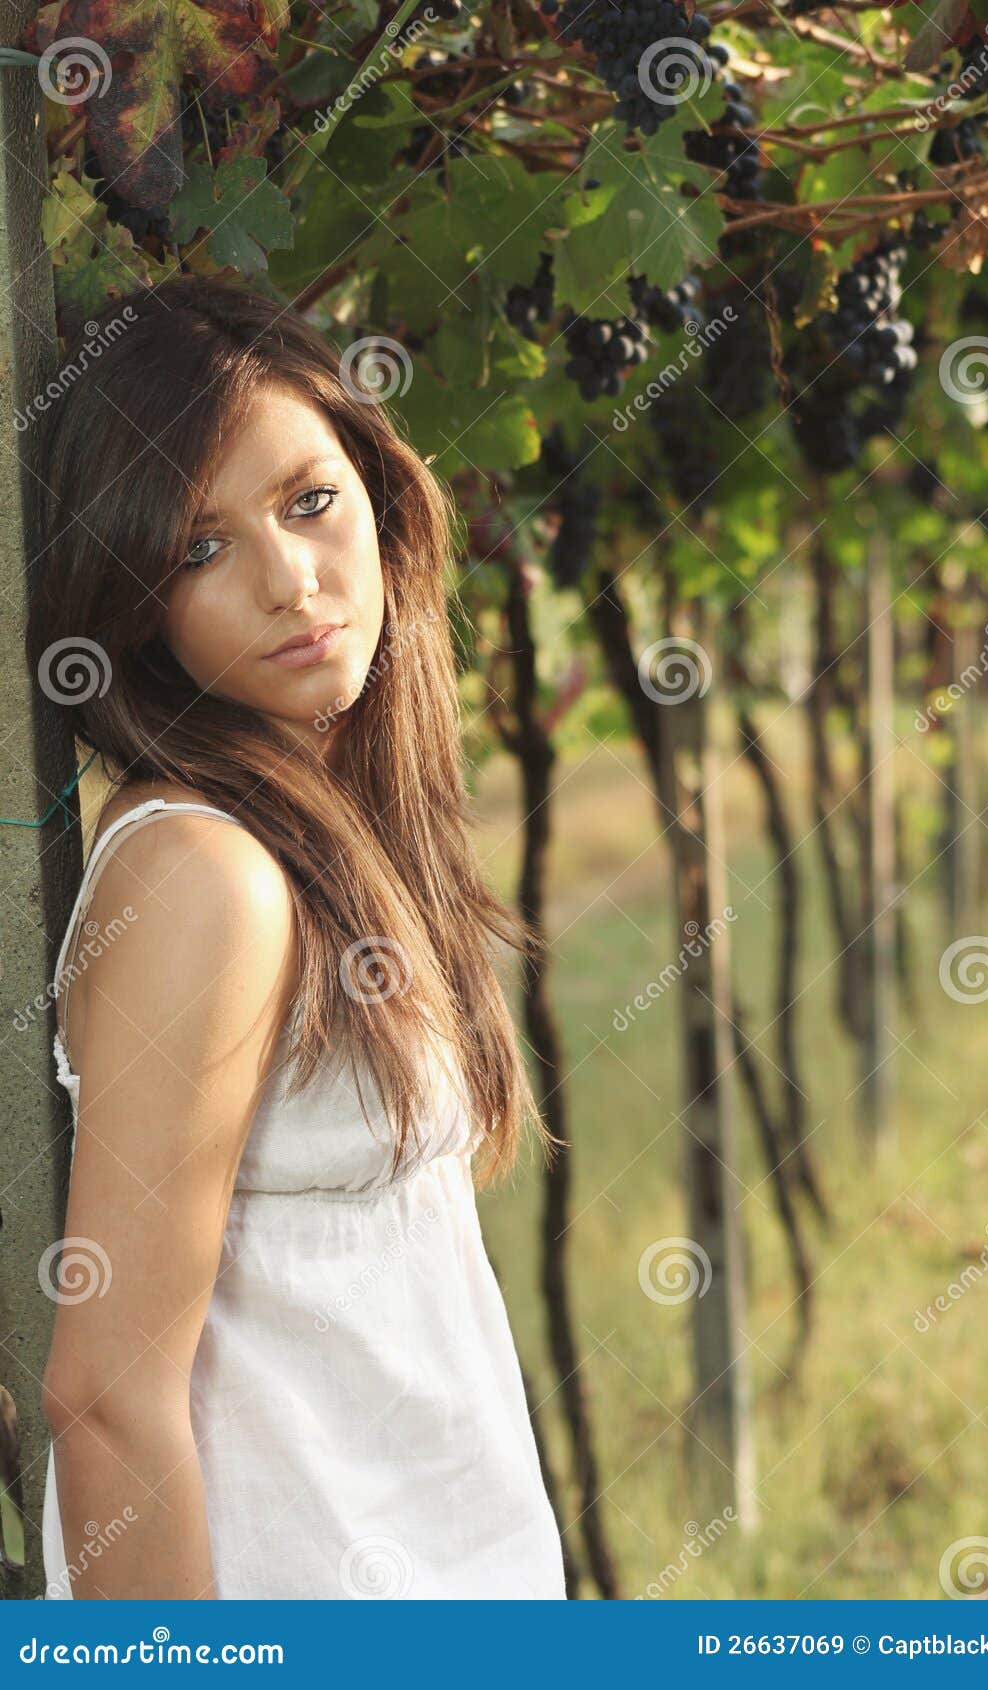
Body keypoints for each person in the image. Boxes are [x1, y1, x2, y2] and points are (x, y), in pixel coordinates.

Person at [25, 277, 567, 1601]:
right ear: (137, 602)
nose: (290, 581)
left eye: (310, 501)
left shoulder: (325, 829)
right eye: (199, 549)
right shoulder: (205, 875)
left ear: (380, 495)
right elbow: (106, 1400)